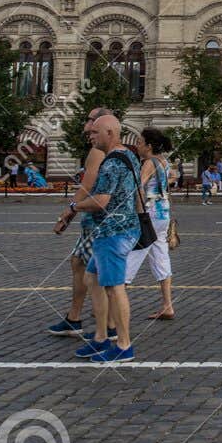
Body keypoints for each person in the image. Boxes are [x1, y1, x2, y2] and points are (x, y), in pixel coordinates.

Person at [71, 113, 139, 363]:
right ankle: (101, 338)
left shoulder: (111, 163)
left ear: (110, 133)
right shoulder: (128, 154)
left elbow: (100, 201)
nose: (90, 135)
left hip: (113, 232)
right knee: (92, 278)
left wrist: (74, 207)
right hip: (117, 229)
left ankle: (123, 344)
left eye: (94, 132)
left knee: (114, 288)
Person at [48, 106, 114, 340]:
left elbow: (87, 185)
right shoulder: (101, 148)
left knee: (97, 273)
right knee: (78, 263)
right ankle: (74, 318)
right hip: (93, 218)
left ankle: (109, 327)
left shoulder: (97, 151)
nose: (85, 125)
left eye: (89, 120)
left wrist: (67, 213)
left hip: (96, 218)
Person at [127, 127, 175, 321]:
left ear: (148, 145)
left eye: (139, 142)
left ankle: (112, 302)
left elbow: (137, 187)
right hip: (163, 214)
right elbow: (169, 182)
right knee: (161, 256)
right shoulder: (164, 162)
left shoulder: (148, 162)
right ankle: (167, 306)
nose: (137, 146)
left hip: (149, 214)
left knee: (132, 255)